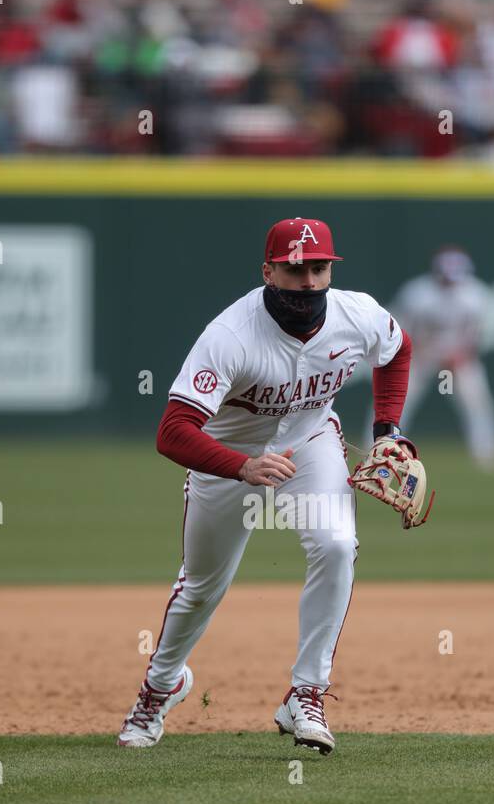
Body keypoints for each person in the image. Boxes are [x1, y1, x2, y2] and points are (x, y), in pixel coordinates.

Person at [118, 217, 414, 755]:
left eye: (318, 268)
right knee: (202, 585)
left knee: (337, 544)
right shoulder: (230, 336)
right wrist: (241, 467)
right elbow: (172, 432)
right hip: (227, 454)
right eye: (295, 269)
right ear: (268, 272)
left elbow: (398, 350)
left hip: (310, 440)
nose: (308, 281)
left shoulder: (357, 314)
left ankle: (306, 693)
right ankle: (160, 688)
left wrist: (388, 430)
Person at [391, 246, 494, 469]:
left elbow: (479, 334)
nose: (450, 283)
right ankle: (380, 448)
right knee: (396, 399)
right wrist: (420, 352)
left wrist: (461, 354)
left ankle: (486, 454)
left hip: (458, 357)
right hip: (420, 356)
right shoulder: (417, 294)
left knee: (477, 401)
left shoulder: (476, 295)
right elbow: (399, 329)